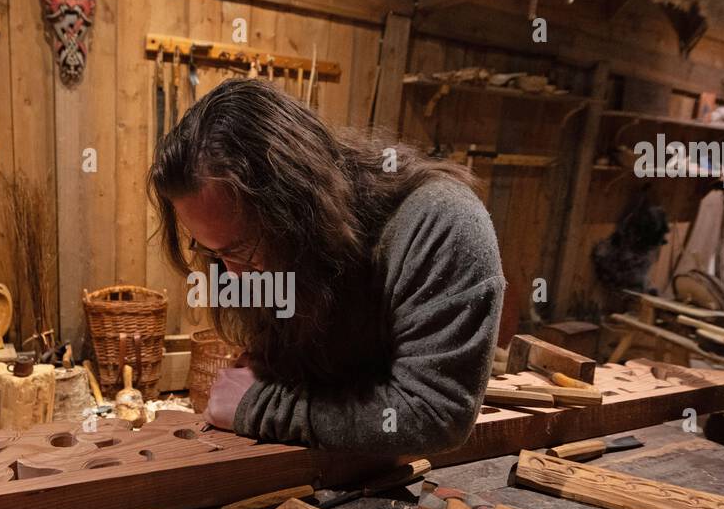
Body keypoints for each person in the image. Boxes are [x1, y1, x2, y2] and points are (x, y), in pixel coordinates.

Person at [148, 78, 504, 456]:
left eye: (243, 250)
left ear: (298, 210)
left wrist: (260, 406)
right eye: (210, 251)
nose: (232, 275)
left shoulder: (440, 224)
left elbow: (434, 414)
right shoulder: (242, 252)